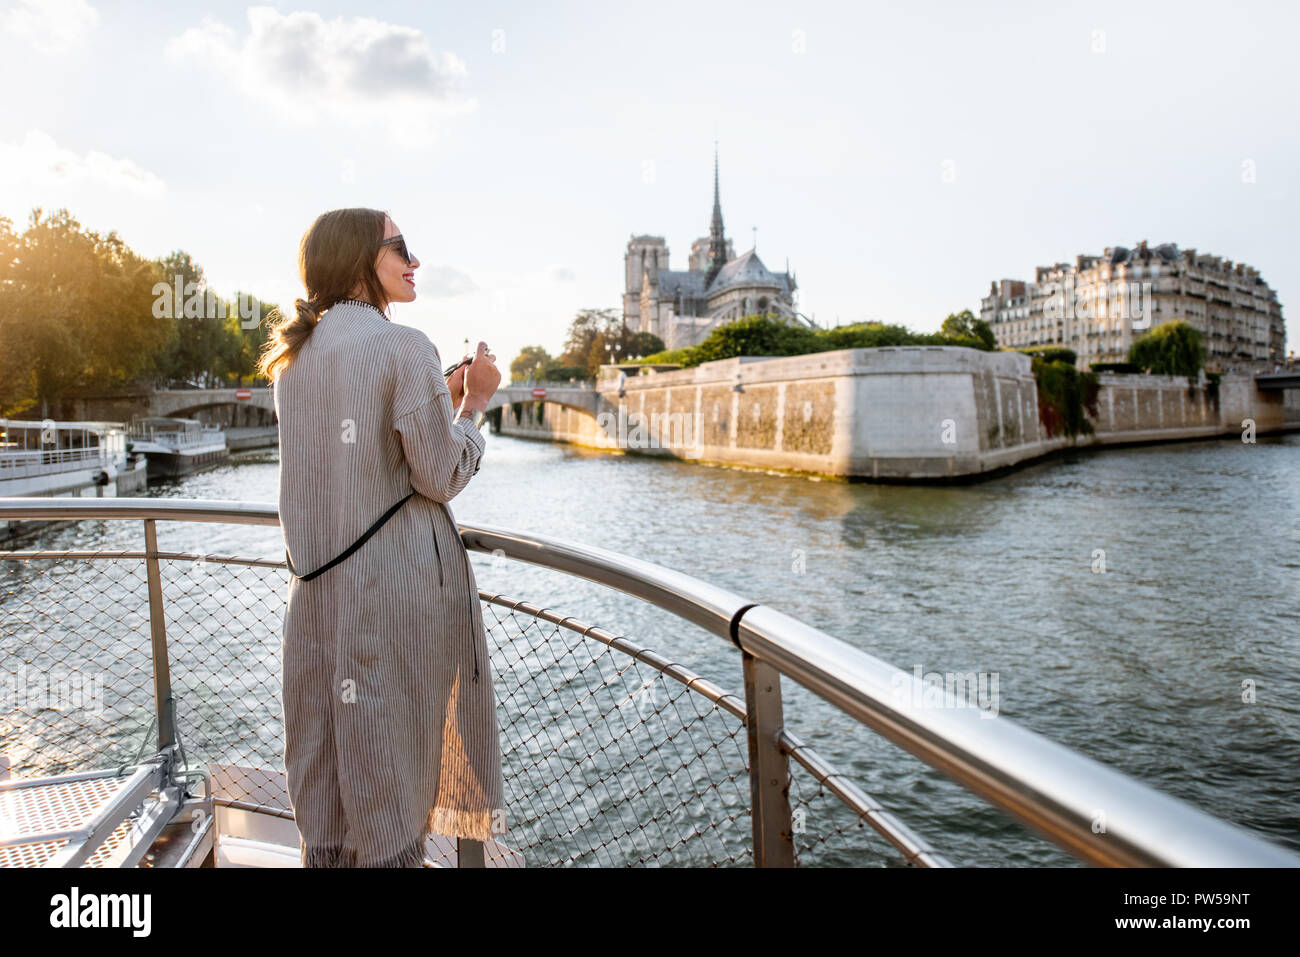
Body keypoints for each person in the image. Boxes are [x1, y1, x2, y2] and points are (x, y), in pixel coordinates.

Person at [257, 207, 505, 867]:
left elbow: (357, 447)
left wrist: (432, 394)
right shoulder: (405, 346)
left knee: (331, 771)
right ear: (362, 258)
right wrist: (473, 403)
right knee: (393, 770)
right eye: (402, 247)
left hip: (317, 603)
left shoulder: (295, 359)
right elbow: (443, 472)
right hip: (393, 603)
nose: (415, 260)